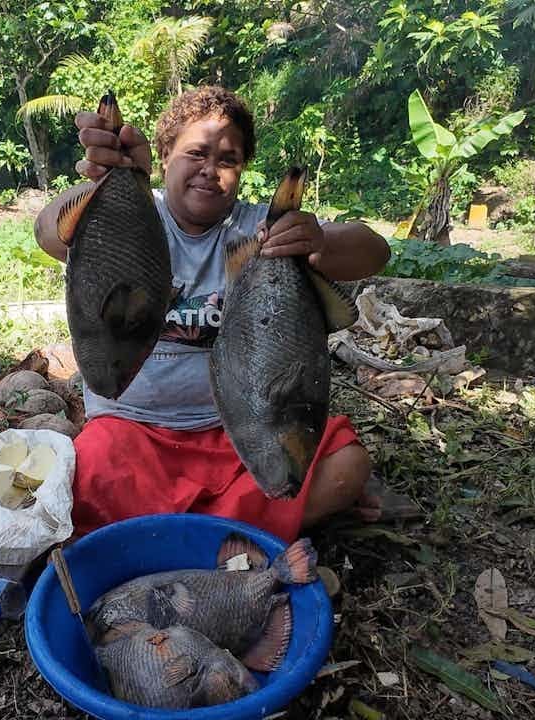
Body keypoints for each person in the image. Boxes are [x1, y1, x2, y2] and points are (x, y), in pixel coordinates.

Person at [33, 86, 392, 542]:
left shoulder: (262, 229)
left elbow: (373, 250)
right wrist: (105, 183)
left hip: (241, 435)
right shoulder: (133, 215)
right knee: (86, 473)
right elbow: (49, 232)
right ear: (164, 156)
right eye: (196, 153)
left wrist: (317, 239)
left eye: (228, 159)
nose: (210, 170)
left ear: (242, 170)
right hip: (132, 433)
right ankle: (234, 531)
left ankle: (163, 531)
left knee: (348, 464)